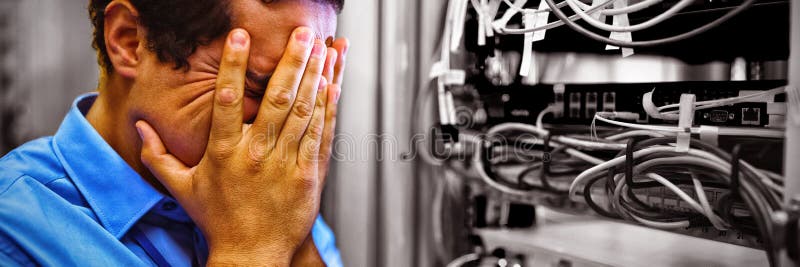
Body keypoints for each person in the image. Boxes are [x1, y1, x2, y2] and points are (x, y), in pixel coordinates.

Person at [0, 0, 349, 266]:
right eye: (258, 88)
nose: (286, 120)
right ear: (130, 42)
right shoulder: (15, 226)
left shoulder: (274, 203)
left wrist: (295, 239)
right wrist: (250, 250)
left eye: (304, 90)